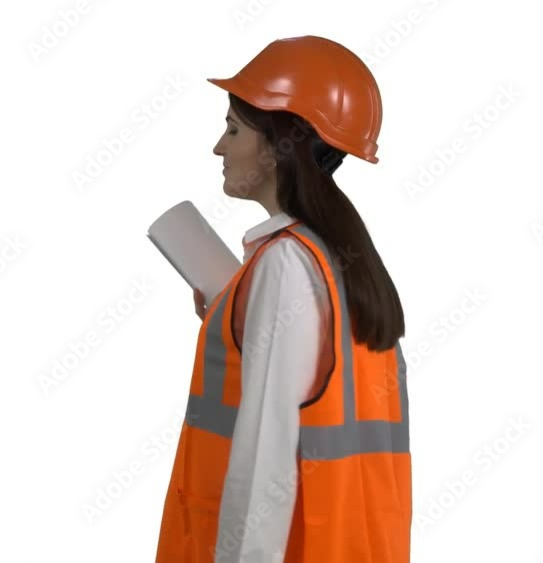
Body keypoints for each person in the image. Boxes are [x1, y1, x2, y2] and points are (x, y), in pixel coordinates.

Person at [155, 35, 411, 563]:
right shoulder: (336, 257)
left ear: (276, 148)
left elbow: (264, 450)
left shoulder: (285, 266)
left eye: (233, 129)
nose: (219, 147)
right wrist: (234, 319)